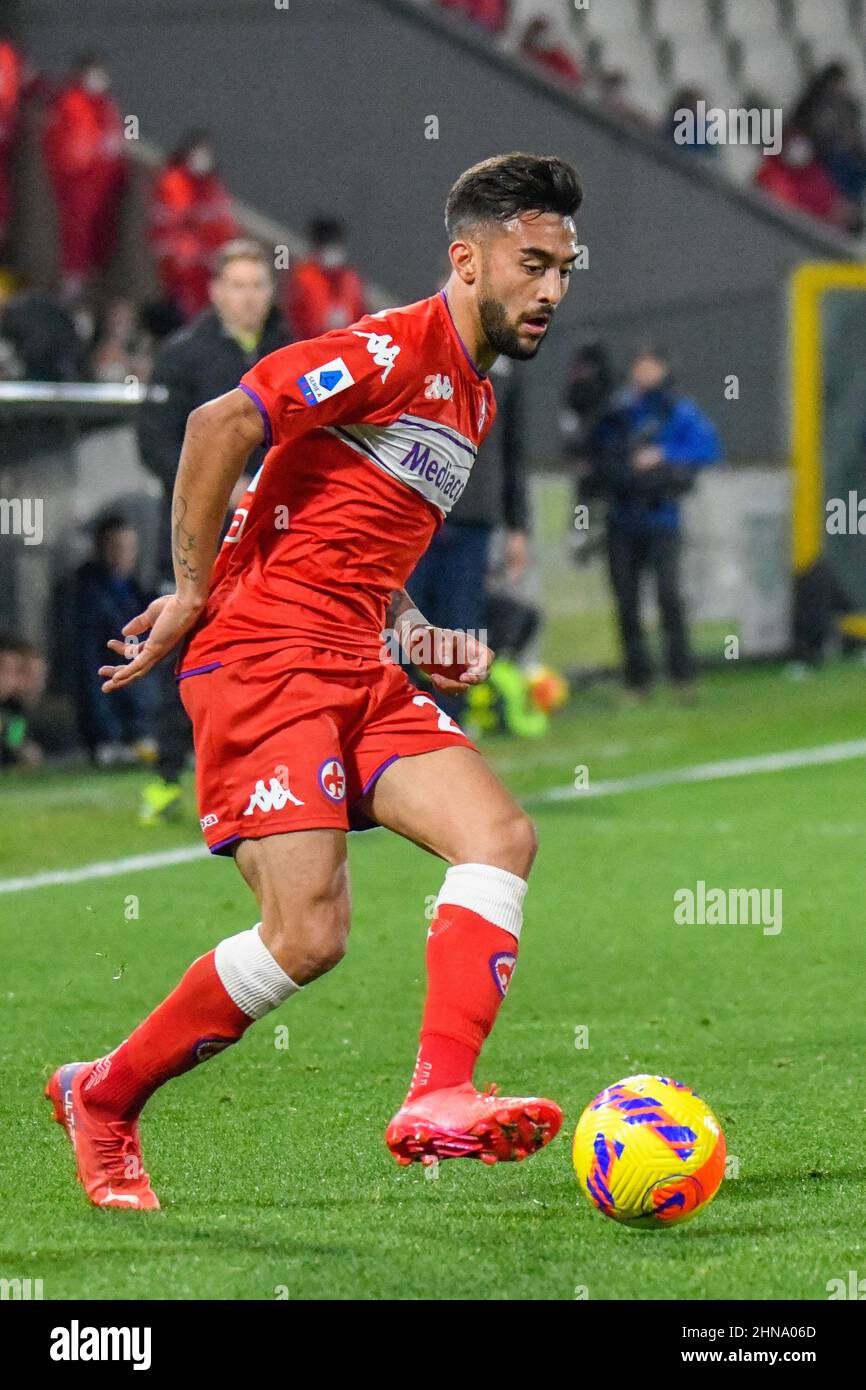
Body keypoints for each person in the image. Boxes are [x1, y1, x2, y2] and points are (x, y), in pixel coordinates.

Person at [45, 151, 582, 1209]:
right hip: (263, 657)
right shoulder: (387, 346)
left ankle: (438, 1095)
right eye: (532, 265)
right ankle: (105, 1097)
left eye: (565, 268)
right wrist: (193, 590)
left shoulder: (471, 395)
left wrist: (418, 634)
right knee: (308, 933)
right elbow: (219, 425)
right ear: (465, 261)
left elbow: (357, 543)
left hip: (355, 658)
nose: (552, 290)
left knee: (500, 836)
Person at [136, 239, 291, 824]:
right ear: (215, 291)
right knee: (186, 644)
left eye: (258, 284)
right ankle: (167, 774)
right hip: (198, 534)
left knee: (275, 646)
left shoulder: (294, 349)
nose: (249, 296)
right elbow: (153, 443)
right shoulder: (182, 355)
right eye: (238, 284)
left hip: (276, 532)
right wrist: (215, 487)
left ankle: (273, 771)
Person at [586, 345, 721, 698]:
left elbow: (709, 448)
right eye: (639, 365)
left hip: (661, 519)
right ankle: (638, 680)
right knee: (626, 602)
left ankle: (681, 676)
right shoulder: (618, 410)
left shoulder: (676, 409)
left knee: (669, 598)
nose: (644, 372)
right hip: (621, 518)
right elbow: (592, 450)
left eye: (651, 365)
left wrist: (664, 454)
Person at [42, 53, 127, 303]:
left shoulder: (108, 104)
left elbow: (128, 125)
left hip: (107, 183)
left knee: (102, 238)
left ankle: (92, 279)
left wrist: (122, 142)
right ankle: (73, 283)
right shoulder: (70, 103)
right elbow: (60, 143)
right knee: (77, 233)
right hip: (79, 182)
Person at [72, 515, 157, 764]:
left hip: (140, 714)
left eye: (129, 548)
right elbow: (88, 667)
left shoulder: (138, 593)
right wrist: (105, 732)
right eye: (115, 547)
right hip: (110, 717)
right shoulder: (86, 596)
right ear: (101, 549)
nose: (122, 555)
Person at [149, 130, 239, 320]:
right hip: (180, 269)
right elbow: (172, 227)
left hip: (208, 269)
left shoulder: (212, 186)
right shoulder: (173, 182)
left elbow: (225, 223)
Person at [283, 216, 367, 341]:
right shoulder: (304, 277)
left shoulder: (350, 280)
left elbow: (361, 315)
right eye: (327, 246)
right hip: (309, 347)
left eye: (335, 245)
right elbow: (294, 318)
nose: (332, 252)